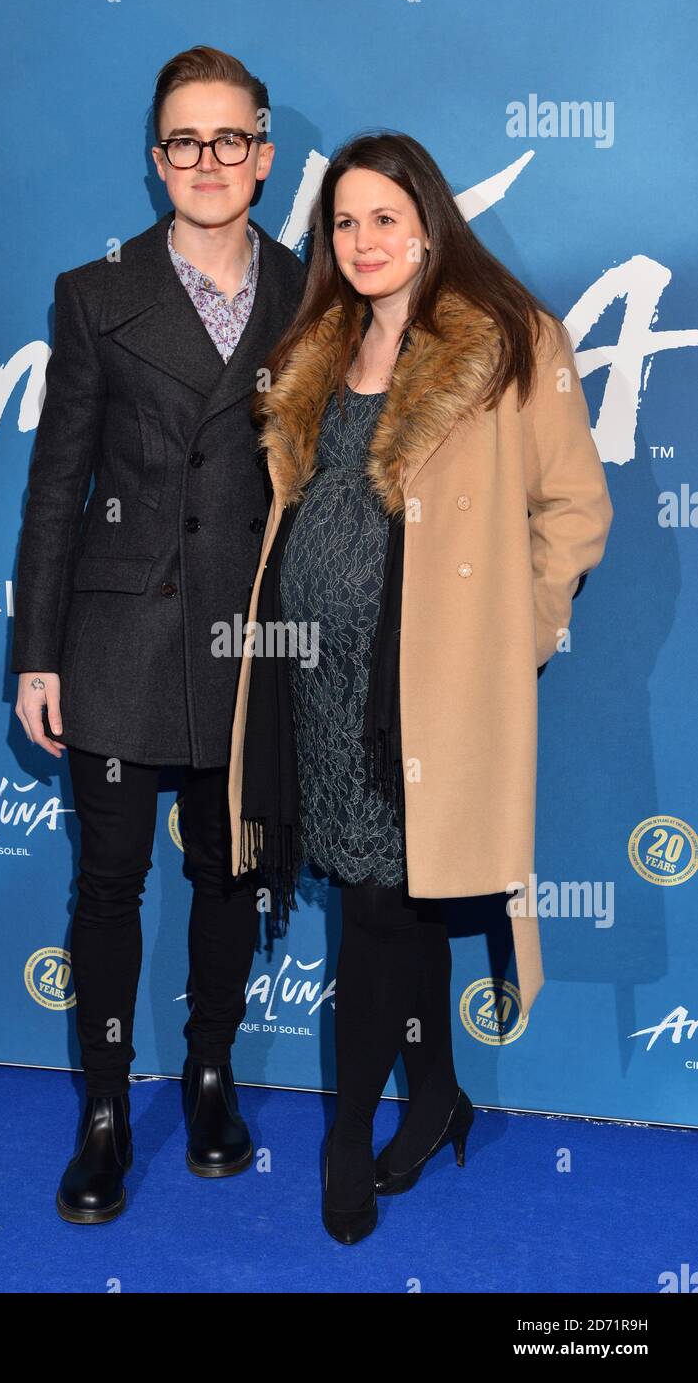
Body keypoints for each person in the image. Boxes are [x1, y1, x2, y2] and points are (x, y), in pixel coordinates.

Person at [227, 131, 614, 1244]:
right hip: (316, 685)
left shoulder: (507, 344)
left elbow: (574, 510)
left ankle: (346, 1137)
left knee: (385, 910)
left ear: (429, 221)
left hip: (427, 698)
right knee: (381, 897)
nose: (362, 241)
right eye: (343, 223)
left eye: (384, 218)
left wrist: (514, 638)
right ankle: (436, 1092)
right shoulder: (316, 348)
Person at [10, 45, 305, 1224]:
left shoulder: (307, 291)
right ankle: (102, 1109)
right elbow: (54, 485)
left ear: (264, 154)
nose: (207, 161)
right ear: (156, 160)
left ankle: (210, 1071)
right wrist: (36, 650)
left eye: (228, 139)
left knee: (231, 870)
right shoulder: (95, 293)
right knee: (110, 885)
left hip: (254, 644)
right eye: (183, 141)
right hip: (120, 636)